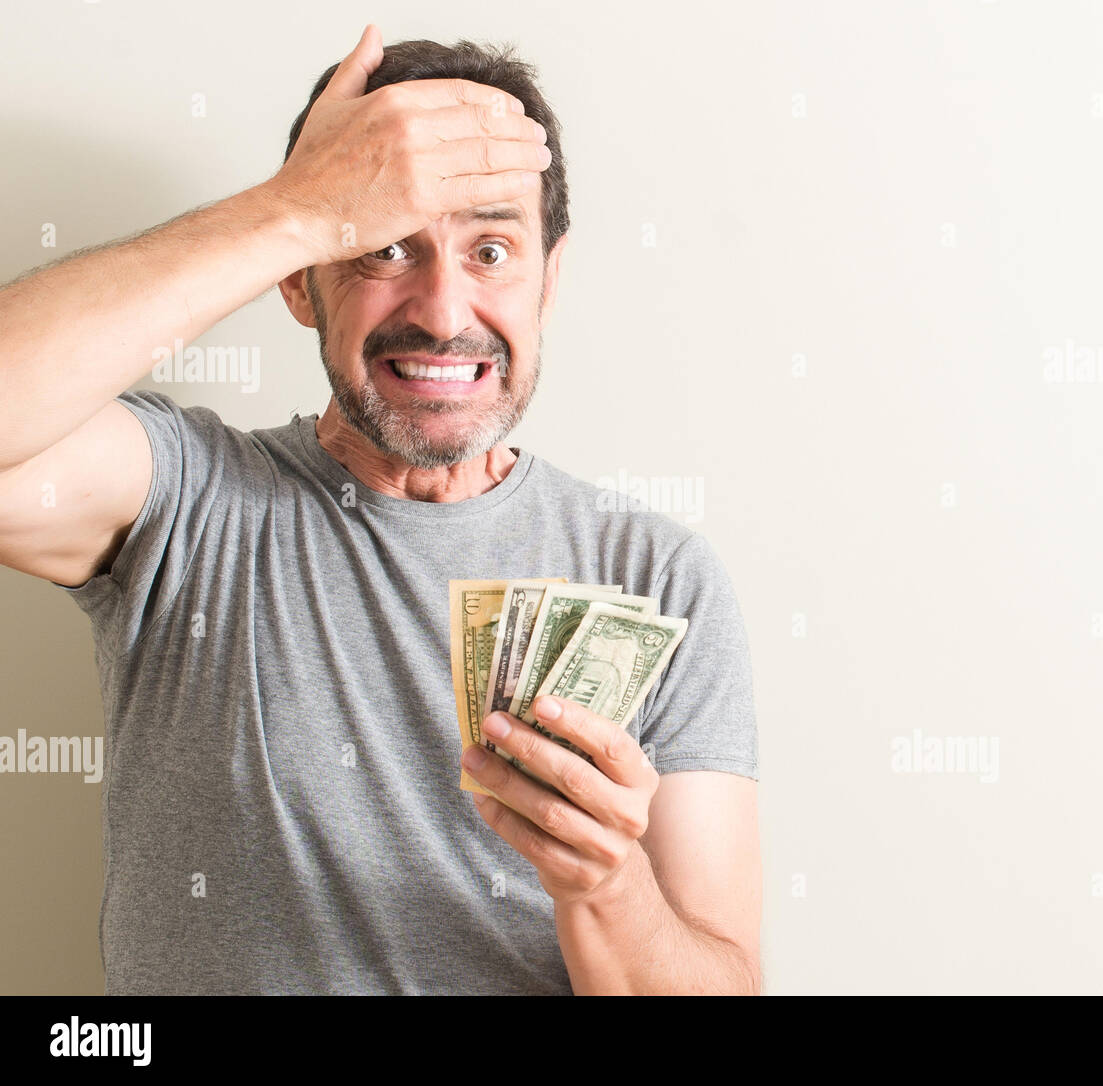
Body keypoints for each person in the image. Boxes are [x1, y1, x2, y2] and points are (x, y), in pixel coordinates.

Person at [0, 26, 761, 995]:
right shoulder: (183, 501)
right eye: (382, 248)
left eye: (491, 249)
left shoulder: (655, 578)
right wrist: (294, 208)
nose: (443, 311)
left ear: (549, 281)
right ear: (297, 279)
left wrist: (606, 887)